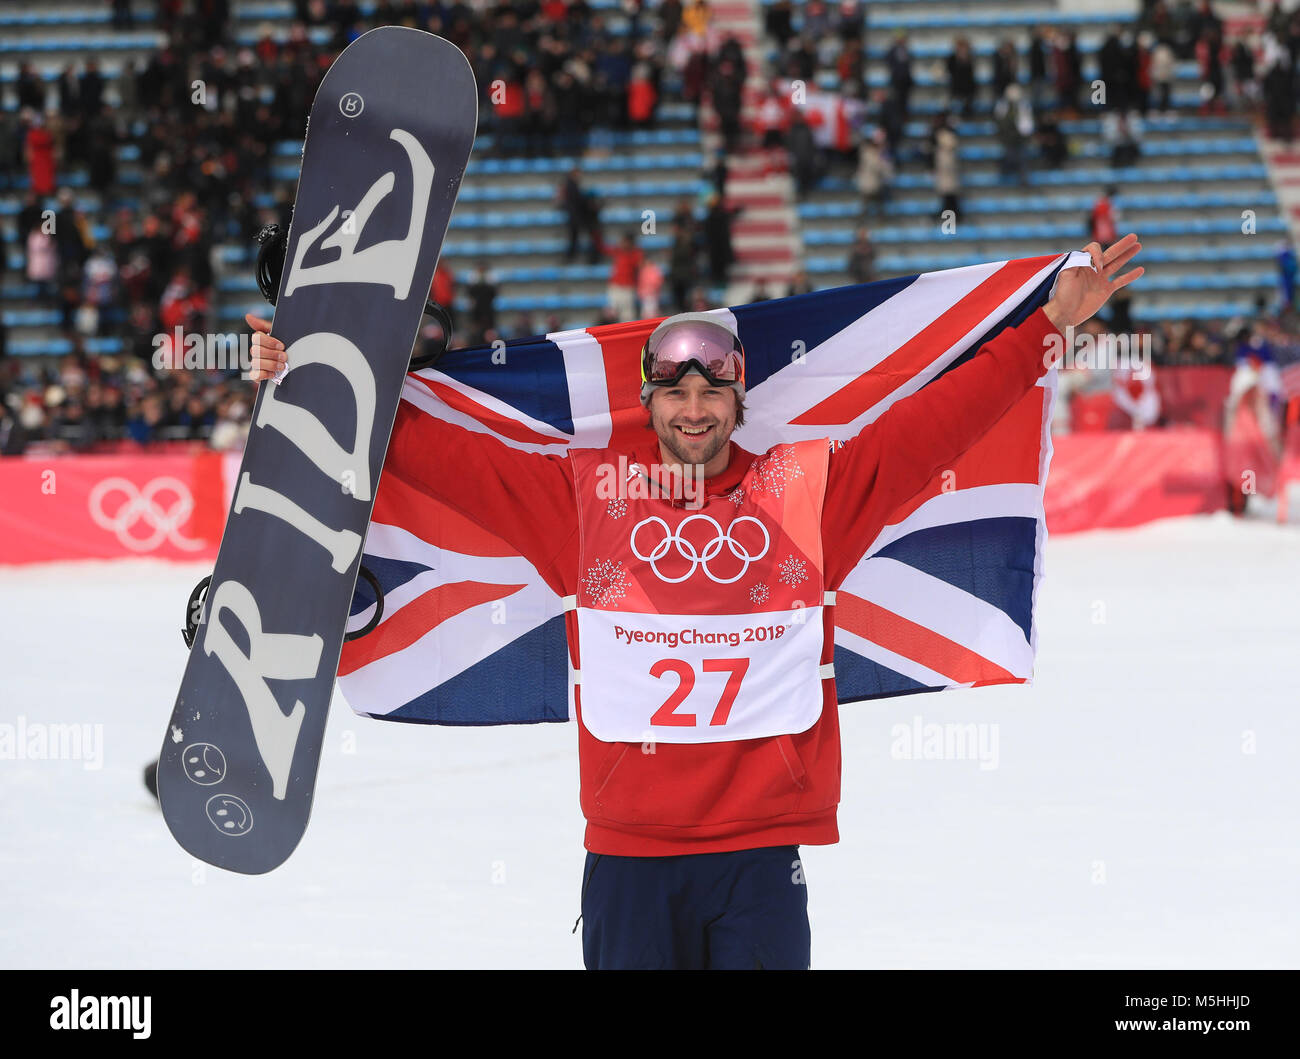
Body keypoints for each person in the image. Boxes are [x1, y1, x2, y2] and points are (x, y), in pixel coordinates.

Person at [245, 234, 1144, 969]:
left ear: (739, 397)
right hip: (630, 858)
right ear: (649, 401)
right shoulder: (589, 501)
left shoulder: (805, 495)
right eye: (673, 389)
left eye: (713, 387)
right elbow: (428, 454)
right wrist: (313, 378)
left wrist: (1047, 329)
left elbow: (934, 424)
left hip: (758, 854)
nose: (694, 405)